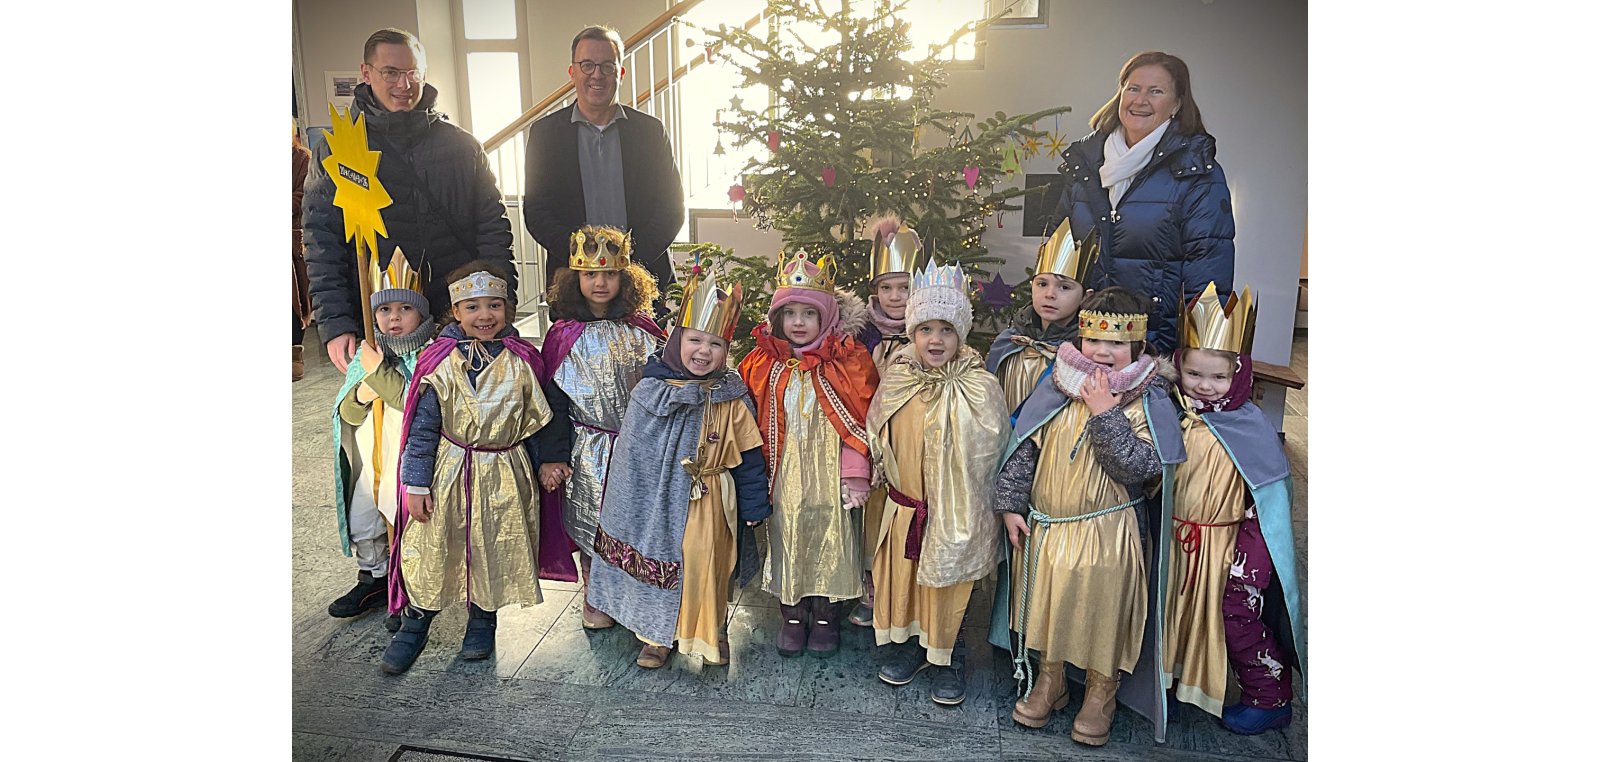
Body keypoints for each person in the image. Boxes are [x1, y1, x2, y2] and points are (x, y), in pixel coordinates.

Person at [990, 287, 1180, 746]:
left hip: (1108, 531)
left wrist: (1105, 415)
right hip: (1049, 527)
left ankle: (1100, 691)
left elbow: (1138, 467)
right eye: (1094, 339)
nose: (1102, 351)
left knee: (1104, 611)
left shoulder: (1147, 398)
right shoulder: (1058, 383)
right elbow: (1024, 446)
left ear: (1136, 346)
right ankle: (1050, 679)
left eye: (1116, 343)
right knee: (1047, 605)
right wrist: (1012, 506)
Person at [380, 263, 573, 675]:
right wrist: (415, 483)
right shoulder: (440, 361)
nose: (484, 315)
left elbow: (540, 420)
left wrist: (548, 463)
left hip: (506, 471)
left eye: (494, 305)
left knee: (493, 548)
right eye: (472, 307)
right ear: (455, 311)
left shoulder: (524, 360)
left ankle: (482, 620)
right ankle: (417, 622)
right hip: (450, 470)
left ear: (507, 308)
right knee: (433, 547)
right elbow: (423, 427)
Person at [586, 268, 772, 669]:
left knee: (710, 566)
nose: (703, 352)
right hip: (656, 506)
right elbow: (632, 458)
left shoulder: (731, 397)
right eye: (695, 340)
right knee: (661, 567)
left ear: (726, 350)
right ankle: (655, 636)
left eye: (715, 344)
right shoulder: (650, 392)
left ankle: (711, 632)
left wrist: (755, 507)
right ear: (676, 339)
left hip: (712, 504)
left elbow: (750, 456)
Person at [304, 27, 517, 374]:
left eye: (412, 73)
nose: (404, 85)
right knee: (391, 421)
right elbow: (322, 242)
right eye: (391, 73)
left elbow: (493, 229)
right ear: (366, 73)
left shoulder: (462, 147)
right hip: (383, 324)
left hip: (460, 317)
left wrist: (502, 303)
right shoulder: (337, 151)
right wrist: (336, 322)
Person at [1165, 283, 1305, 735]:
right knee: (1180, 609)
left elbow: (1268, 502)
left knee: (1235, 616)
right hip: (1180, 541)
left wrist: (1246, 559)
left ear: (1239, 374)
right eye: (1194, 374)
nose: (1205, 385)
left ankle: (1270, 697)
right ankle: (1182, 679)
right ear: (1179, 368)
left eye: (1219, 377)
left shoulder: (1251, 426)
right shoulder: (1177, 413)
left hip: (1230, 546)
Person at [866, 260, 1008, 707]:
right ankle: (910, 646)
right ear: (912, 333)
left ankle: (950, 656)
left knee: (951, 586)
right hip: (907, 507)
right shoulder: (899, 376)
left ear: (960, 334)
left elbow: (990, 450)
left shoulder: (981, 387)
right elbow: (879, 428)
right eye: (925, 329)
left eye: (946, 330)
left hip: (954, 512)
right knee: (906, 582)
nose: (935, 340)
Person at [738, 250, 878, 658]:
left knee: (831, 539)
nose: (798, 323)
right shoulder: (763, 363)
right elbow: (746, 421)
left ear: (827, 317)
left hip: (832, 476)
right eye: (790, 313)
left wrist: (855, 472)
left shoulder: (848, 360)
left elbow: (861, 416)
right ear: (777, 318)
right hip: (782, 475)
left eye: (809, 314)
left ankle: (824, 614)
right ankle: (792, 613)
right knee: (788, 538)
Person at [1050, 50, 1234, 355]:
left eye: (1156, 91)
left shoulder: (1196, 171)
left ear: (1177, 104)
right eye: (1133, 88)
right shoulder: (1085, 163)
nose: (1140, 100)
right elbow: (1060, 250)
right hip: (1085, 339)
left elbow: (1209, 271)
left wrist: (1199, 356)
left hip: (1153, 344)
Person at [539, 225, 666, 630]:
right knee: (589, 519)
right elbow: (553, 402)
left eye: (609, 274)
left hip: (637, 446)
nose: (599, 282)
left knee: (633, 521)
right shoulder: (563, 336)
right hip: (587, 445)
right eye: (590, 274)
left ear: (625, 277)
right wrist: (555, 455)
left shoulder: (642, 330)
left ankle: (631, 593)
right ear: (574, 278)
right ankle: (595, 593)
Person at [523, 25, 685, 297]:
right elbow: (537, 211)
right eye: (587, 65)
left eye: (607, 66)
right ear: (572, 72)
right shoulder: (545, 135)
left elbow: (671, 209)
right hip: (573, 283)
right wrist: (584, 258)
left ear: (620, 73)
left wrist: (626, 259)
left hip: (642, 280)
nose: (597, 75)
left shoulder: (650, 132)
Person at [328, 250, 433, 630]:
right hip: (370, 460)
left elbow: (414, 403)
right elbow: (347, 416)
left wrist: (382, 378)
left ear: (421, 312)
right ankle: (373, 578)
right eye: (385, 310)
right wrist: (358, 395)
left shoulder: (429, 355)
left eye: (405, 308)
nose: (394, 318)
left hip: (405, 464)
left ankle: (406, 589)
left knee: (405, 523)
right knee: (364, 519)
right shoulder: (367, 355)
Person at [848, 216, 926, 628]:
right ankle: (870, 583)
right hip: (865, 435)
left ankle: (897, 586)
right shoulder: (862, 335)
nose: (895, 297)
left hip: (908, 439)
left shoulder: (929, 333)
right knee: (870, 514)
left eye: (905, 287)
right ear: (874, 290)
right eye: (886, 287)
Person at [986, 218, 1096, 415]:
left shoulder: (1086, 354)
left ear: (1085, 297)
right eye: (1042, 284)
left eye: (1064, 287)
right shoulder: (1008, 342)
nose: (1050, 294)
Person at [293, 129, 314, 381]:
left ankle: (294, 353)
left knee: (295, 300)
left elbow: (304, 196)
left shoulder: (302, 158)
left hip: (293, 241)